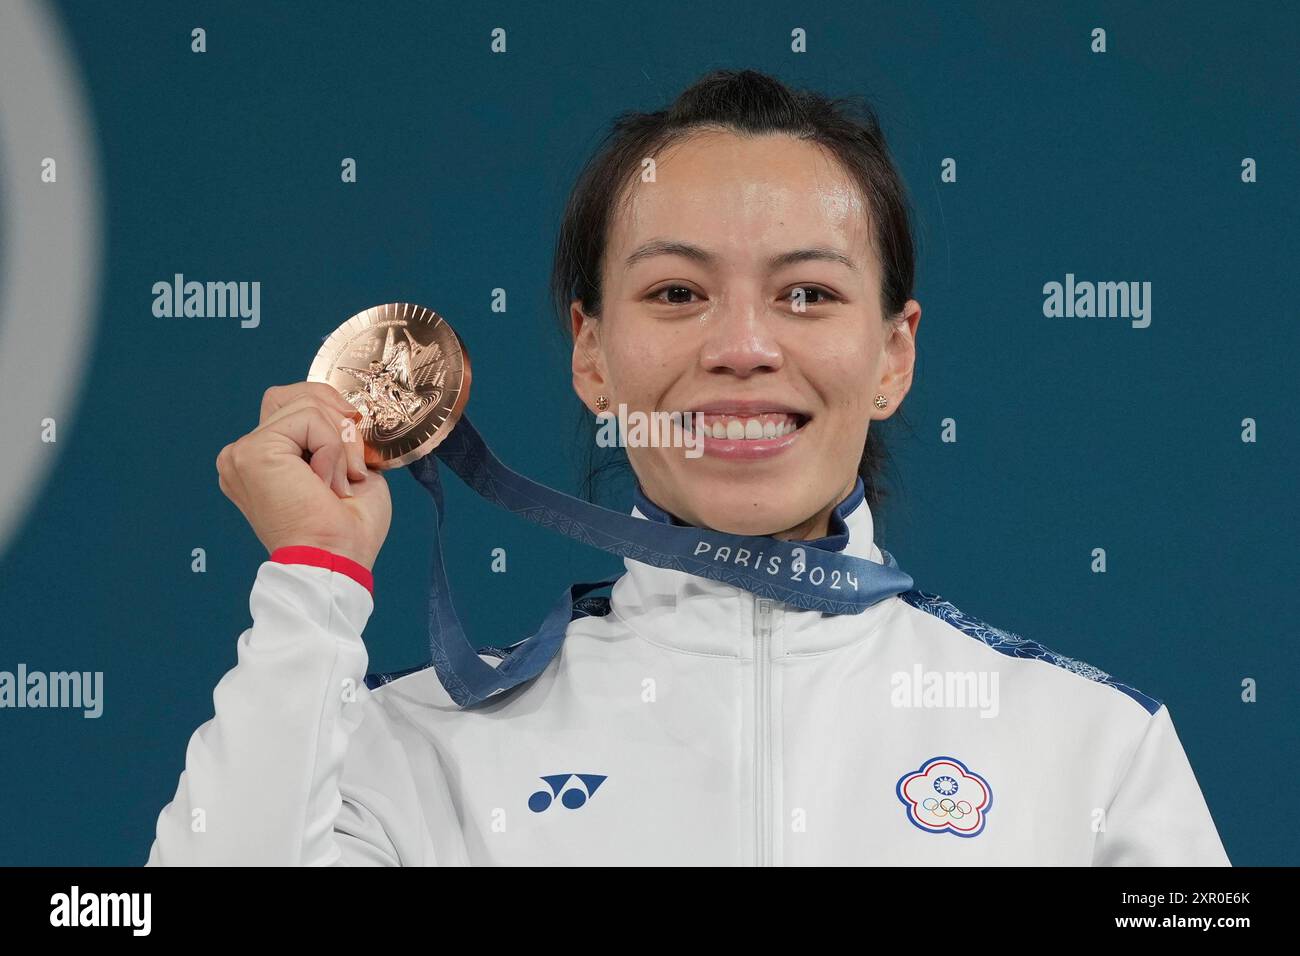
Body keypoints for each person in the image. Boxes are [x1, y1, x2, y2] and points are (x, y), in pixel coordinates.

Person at [146, 69, 1230, 866]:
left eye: (806, 293)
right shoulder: (417, 747)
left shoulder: (1091, 750)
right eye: (675, 293)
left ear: (892, 354)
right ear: (591, 354)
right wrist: (313, 583)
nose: (743, 345)